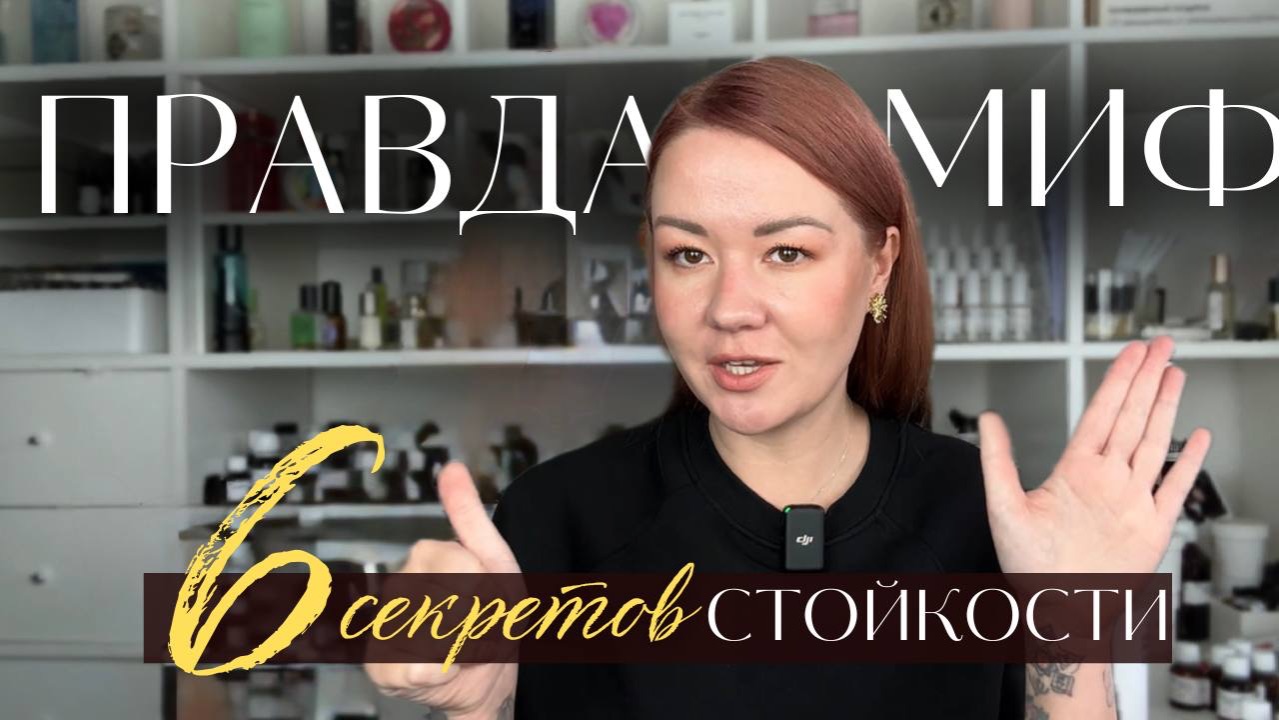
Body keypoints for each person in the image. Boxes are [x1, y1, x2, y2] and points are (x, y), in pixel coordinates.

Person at [366, 56, 1211, 719]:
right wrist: (475, 710)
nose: (729, 308)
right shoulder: (551, 522)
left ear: (878, 263)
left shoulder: (990, 519)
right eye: (687, 254)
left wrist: (1074, 628)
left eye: (786, 252)